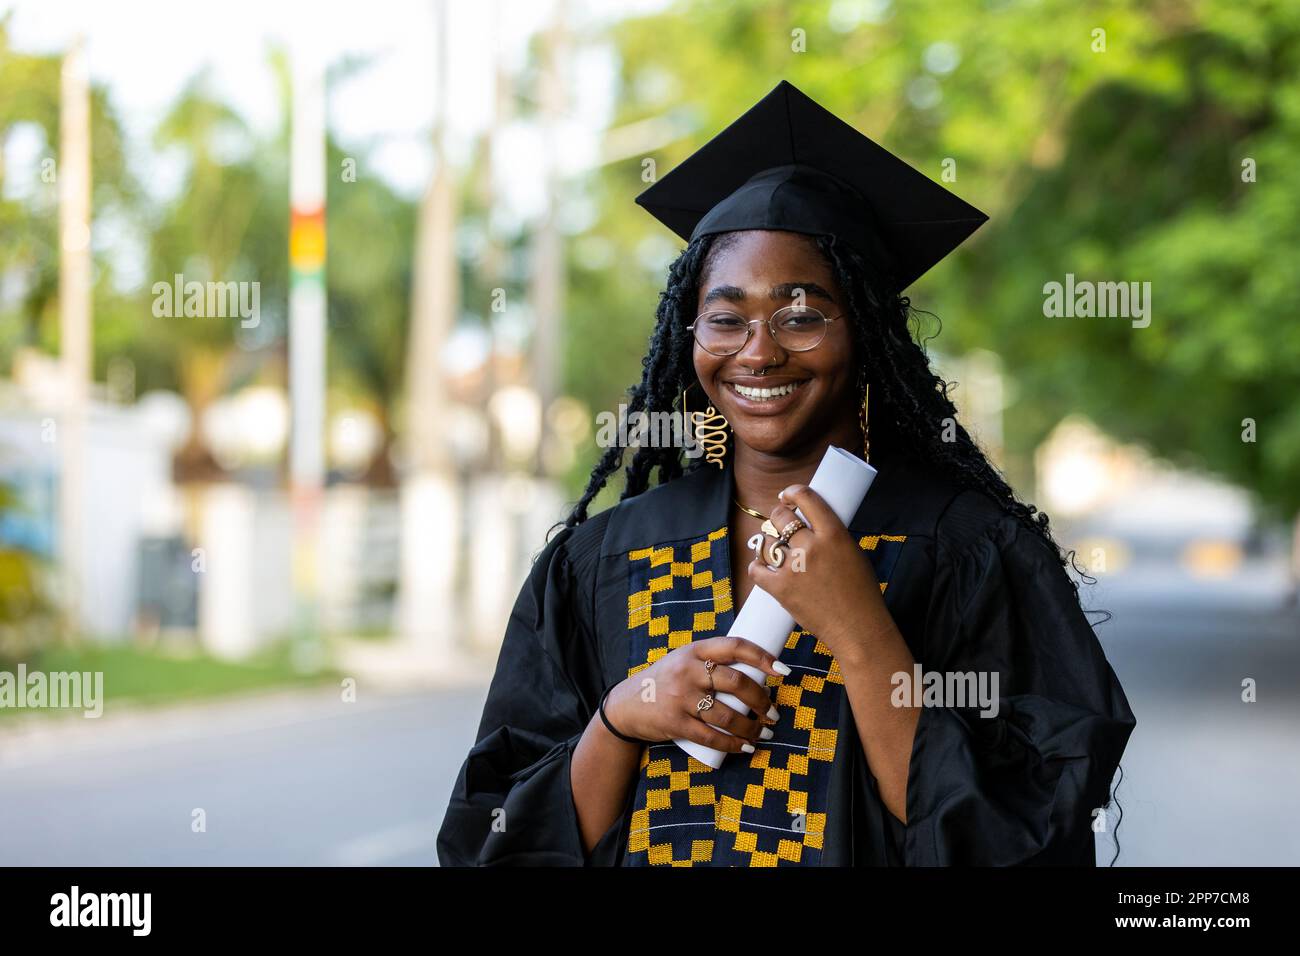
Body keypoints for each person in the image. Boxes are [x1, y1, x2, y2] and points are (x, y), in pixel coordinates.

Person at [437, 80, 1136, 867]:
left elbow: (1024, 840)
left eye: (802, 315)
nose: (759, 351)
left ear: (865, 332)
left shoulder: (972, 553)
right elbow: (489, 843)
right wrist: (624, 716)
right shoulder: (601, 561)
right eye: (727, 318)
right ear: (690, 333)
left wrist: (859, 624)